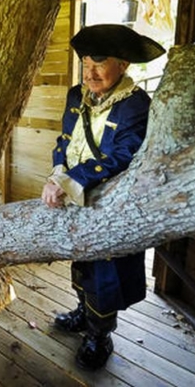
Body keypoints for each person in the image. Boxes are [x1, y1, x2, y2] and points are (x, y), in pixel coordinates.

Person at [41, 24, 165, 370]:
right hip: (74, 196)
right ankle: (83, 314)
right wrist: (56, 172)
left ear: (123, 64)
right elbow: (64, 141)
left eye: (98, 62)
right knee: (81, 262)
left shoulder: (137, 105)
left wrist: (71, 179)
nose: (89, 72)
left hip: (111, 203)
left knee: (105, 272)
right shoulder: (75, 95)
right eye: (84, 63)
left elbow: (126, 154)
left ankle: (99, 335)